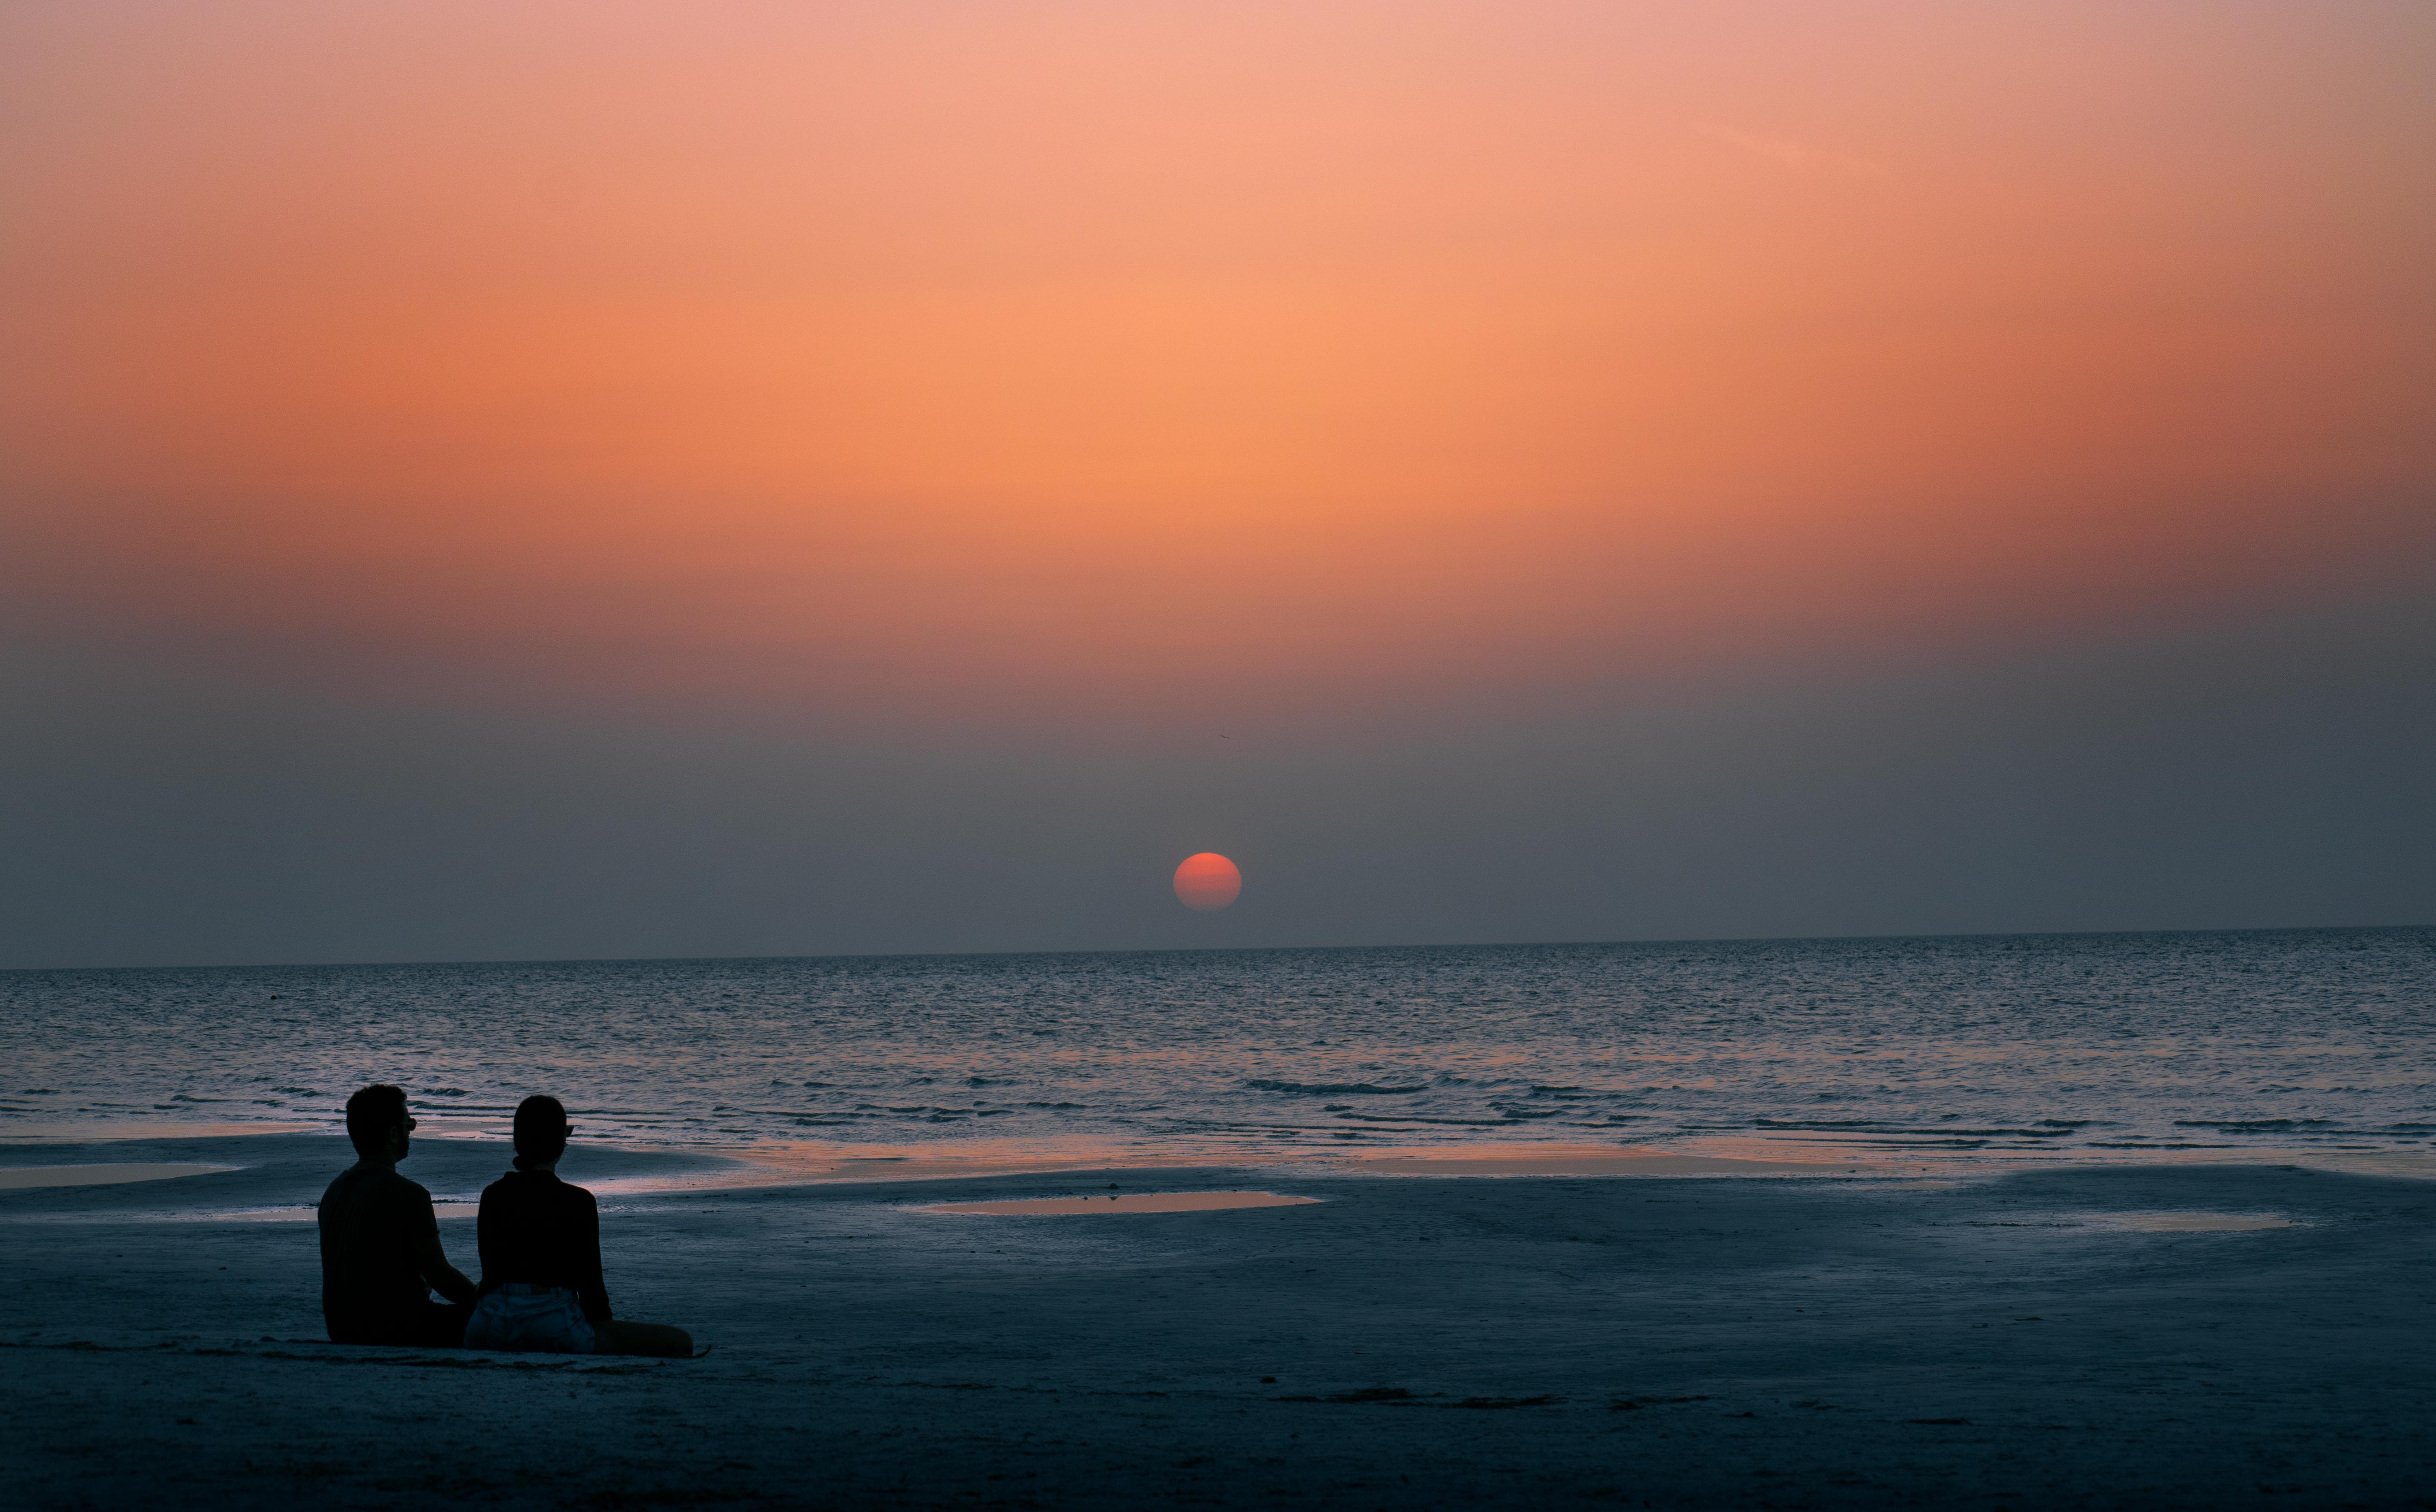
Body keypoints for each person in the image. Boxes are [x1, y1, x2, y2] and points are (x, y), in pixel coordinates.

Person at [463, 1095, 693, 1357]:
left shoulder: (492, 1195)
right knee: (681, 1342)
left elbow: (491, 1272)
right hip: (551, 1324)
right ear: (562, 1142)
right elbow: (593, 1295)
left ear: (518, 1142)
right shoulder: (579, 1202)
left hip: (489, 1324)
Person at [319, 1083, 477, 1346]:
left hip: (341, 1327)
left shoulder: (333, 1192)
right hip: (398, 1327)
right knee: (492, 1318)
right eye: (408, 1125)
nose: (410, 1132)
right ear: (394, 1134)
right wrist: (481, 1297)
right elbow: (440, 1276)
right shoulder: (410, 1195)